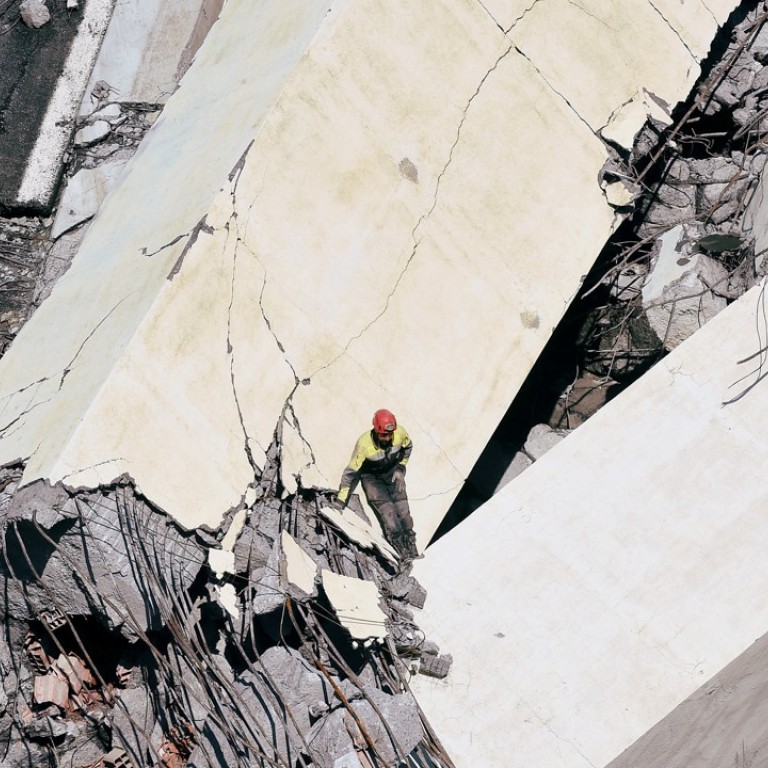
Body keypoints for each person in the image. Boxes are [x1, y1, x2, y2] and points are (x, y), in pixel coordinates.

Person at [337, 409, 419, 560]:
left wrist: (401, 468)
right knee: (390, 517)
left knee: (404, 513)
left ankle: (412, 548)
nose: (387, 438)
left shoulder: (400, 433)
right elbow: (350, 473)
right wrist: (341, 499)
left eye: (389, 434)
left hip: (393, 473)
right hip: (372, 479)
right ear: (375, 430)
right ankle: (402, 555)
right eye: (383, 435)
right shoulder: (364, 444)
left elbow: (408, 447)